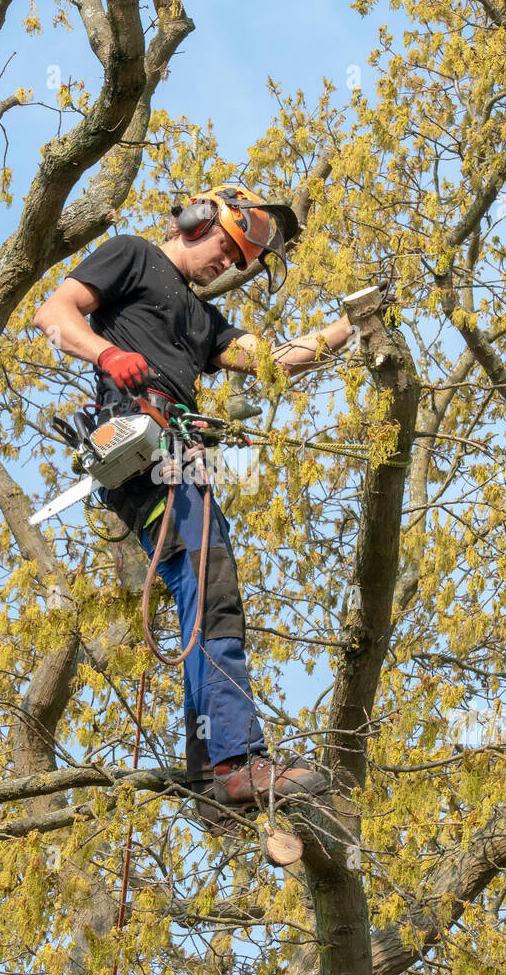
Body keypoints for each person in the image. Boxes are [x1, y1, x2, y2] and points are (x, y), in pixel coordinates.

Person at [34, 185, 356, 816]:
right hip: (145, 451)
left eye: (240, 261)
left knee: (202, 596)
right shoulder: (130, 255)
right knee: (212, 590)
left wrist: (352, 324)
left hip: (178, 455)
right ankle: (237, 764)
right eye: (227, 249)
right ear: (196, 221)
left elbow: (276, 359)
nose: (228, 266)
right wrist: (109, 352)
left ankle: (212, 778)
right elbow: (55, 313)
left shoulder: (202, 319)